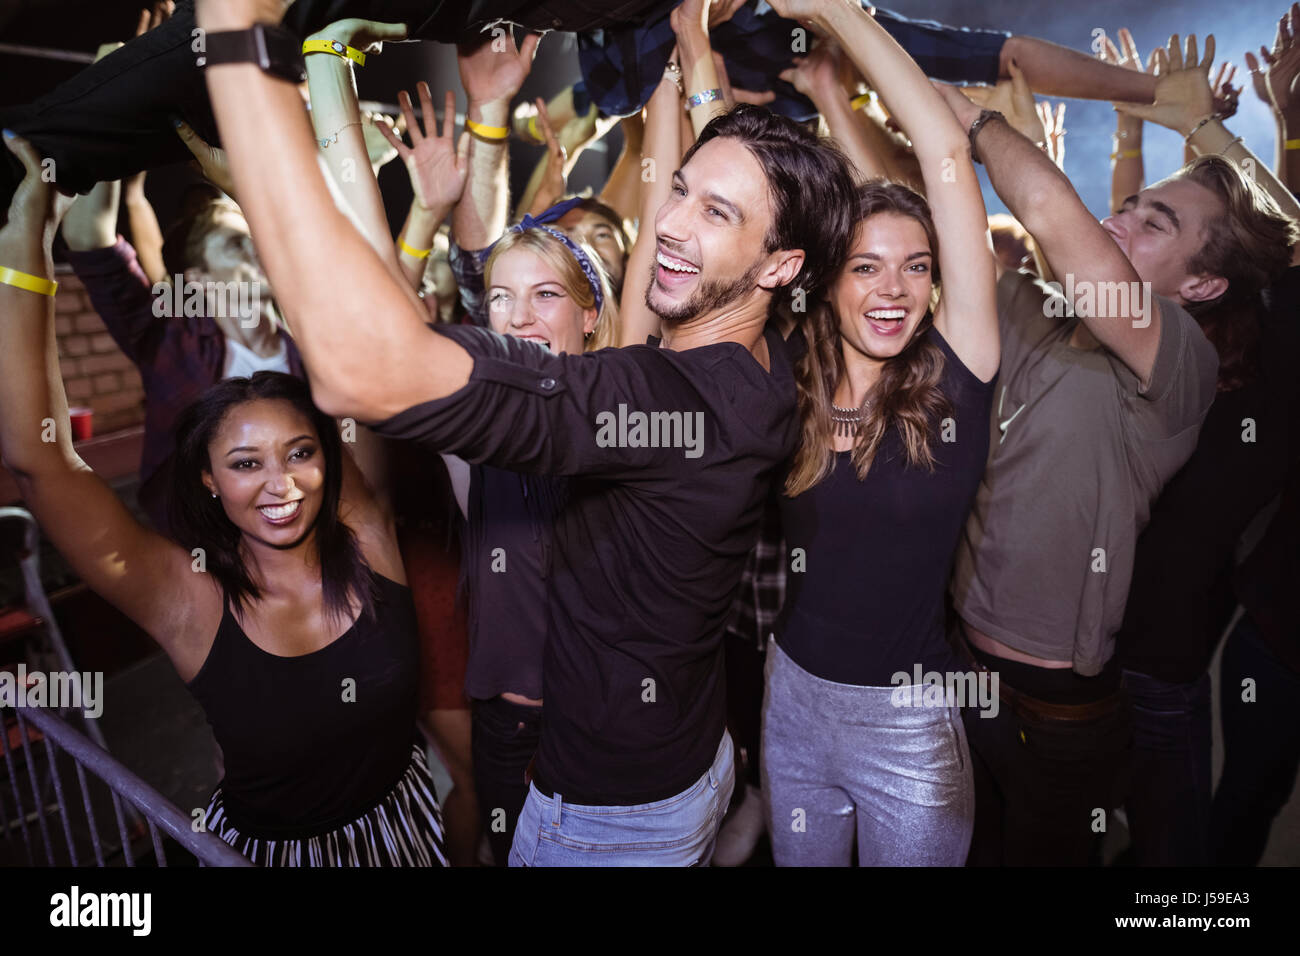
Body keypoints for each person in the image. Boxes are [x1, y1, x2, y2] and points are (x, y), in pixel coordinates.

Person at [195, 0, 857, 866]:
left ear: (780, 267)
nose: (668, 221)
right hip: (690, 760)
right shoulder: (766, 359)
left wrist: (246, 49)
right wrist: (690, 48)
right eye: (682, 189)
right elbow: (727, 206)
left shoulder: (655, 402)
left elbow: (353, 368)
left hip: (610, 815)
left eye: (715, 215)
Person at [0, 132, 446, 866]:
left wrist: (266, 186)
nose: (281, 483)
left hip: (406, 830)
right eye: (244, 463)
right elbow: (42, 464)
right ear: (208, 479)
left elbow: (366, 342)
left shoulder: (367, 531)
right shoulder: (190, 599)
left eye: (300, 453)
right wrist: (24, 247)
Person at [932, 29, 1299, 864]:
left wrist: (980, 123)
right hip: (962, 653)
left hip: (1109, 679)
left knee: (1165, 847)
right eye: (1123, 208)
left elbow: (1074, 234)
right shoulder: (1042, 307)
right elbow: (1045, 240)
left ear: (1204, 287)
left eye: (1148, 218)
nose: (1116, 216)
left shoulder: (1186, 359)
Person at [759, 0, 999, 867]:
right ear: (826, 283)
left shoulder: (957, 376)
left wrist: (831, 11)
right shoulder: (788, 375)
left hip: (909, 728)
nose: (892, 287)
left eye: (916, 265)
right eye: (865, 266)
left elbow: (941, 151)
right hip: (789, 700)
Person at [444, 215, 619, 865]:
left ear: (590, 312)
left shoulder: (633, 422)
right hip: (513, 722)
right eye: (500, 297)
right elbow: (375, 344)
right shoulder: (479, 415)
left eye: (545, 294)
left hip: (608, 721)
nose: (519, 318)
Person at [61, 184, 303, 534]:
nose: (259, 248)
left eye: (257, 236)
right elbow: (89, 237)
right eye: (236, 244)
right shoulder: (171, 343)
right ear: (200, 279)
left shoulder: (311, 341)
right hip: (206, 546)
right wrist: (105, 147)